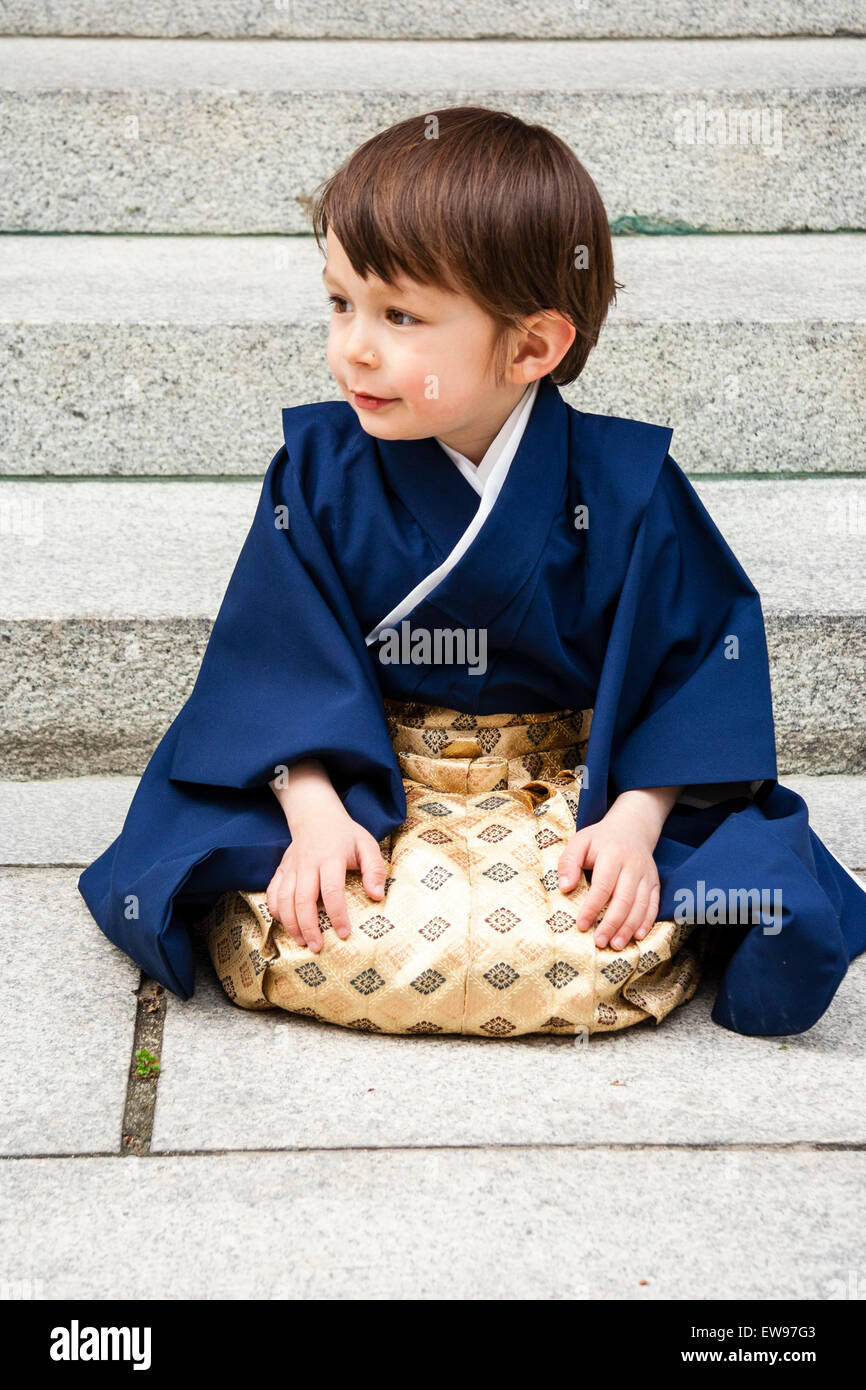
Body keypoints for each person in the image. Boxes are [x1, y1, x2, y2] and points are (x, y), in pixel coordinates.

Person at [78, 106, 866, 1038]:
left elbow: (693, 675)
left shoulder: (625, 487)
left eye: (399, 315)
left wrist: (636, 824)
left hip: (573, 780)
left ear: (533, 345)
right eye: (341, 302)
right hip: (366, 773)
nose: (353, 348)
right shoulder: (318, 474)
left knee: (641, 904)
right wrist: (313, 809)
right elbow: (269, 667)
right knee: (307, 896)